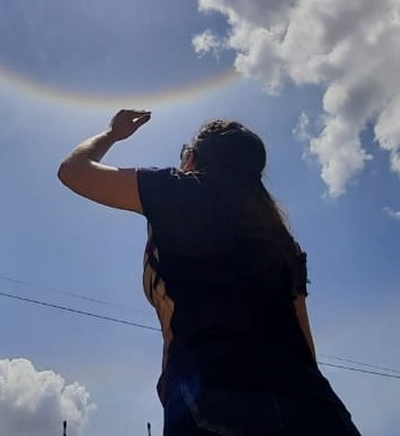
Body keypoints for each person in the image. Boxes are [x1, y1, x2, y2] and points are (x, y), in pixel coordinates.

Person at [58, 109, 361, 436]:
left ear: (192, 156)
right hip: (316, 408)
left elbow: (73, 171)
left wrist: (111, 134)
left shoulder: (178, 191)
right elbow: (305, 344)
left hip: (215, 395)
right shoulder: (282, 240)